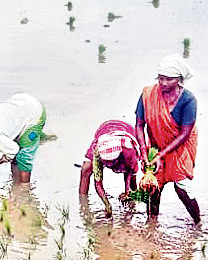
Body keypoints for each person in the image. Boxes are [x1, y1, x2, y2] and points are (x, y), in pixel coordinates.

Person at [135, 56, 201, 224]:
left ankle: (197, 223)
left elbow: (185, 133)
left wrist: (162, 155)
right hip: (155, 146)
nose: (163, 83)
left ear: (179, 80)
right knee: (153, 187)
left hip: (180, 146)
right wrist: (144, 152)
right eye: (160, 78)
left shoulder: (188, 100)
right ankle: (152, 224)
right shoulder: (148, 95)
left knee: (182, 189)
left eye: (169, 79)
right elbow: (139, 125)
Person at [80, 120, 142, 217]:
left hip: (126, 130)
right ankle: (82, 202)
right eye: (106, 162)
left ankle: (133, 202)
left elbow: (130, 173)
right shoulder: (97, 152)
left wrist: (127, 192)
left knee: (132, 180)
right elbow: (98, 182)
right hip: (104, 130)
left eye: (111, 162)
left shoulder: (128, 152)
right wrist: (107, 204)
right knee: (86, 169)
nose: (109, 165)